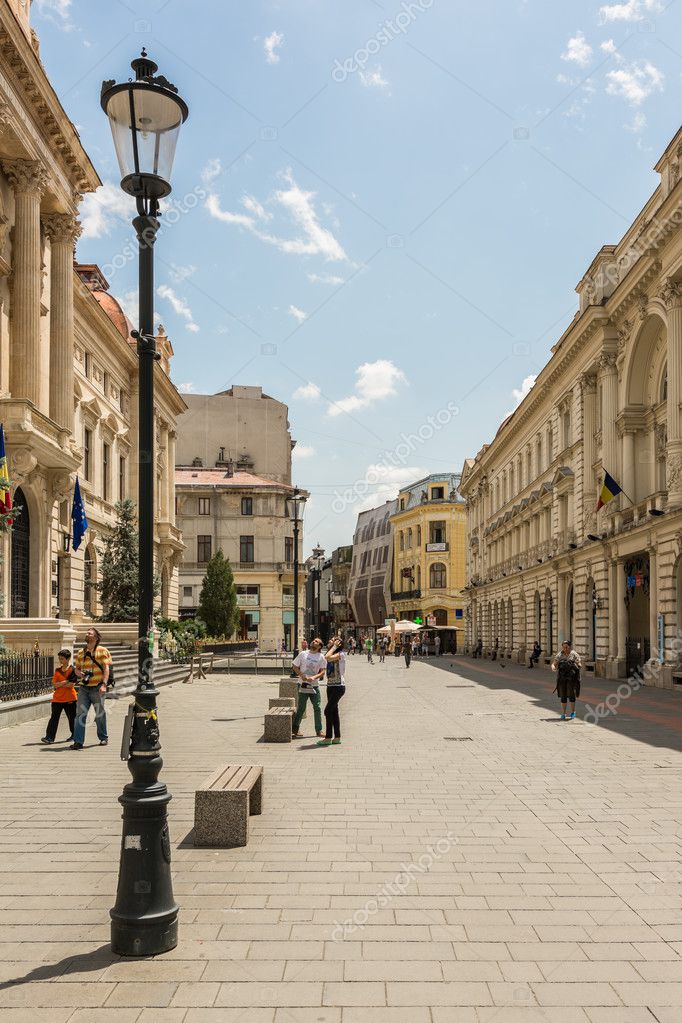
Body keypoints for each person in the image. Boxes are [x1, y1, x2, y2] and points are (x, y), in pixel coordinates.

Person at [71, 627, 112, 750]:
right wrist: (79, 673)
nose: (87, 634)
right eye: (87, 633)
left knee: (99, 714)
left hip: (98, 687)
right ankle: (78, 741)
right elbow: (77, 669)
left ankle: (103, 737)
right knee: (80, 715)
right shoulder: (81, 652)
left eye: (89, 633)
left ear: (96, 637)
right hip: (84, 688)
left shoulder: (102, 651)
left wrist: (104, 685)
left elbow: (106, 668)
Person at [41, 648, 77, 744]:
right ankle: (49, 738)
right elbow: (54, 685)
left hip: (70, 698)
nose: (60, 660)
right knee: (54, 718)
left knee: (72, 718)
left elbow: (71, 685)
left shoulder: (73, 670)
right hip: (57, 699)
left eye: (62, 659)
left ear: (68, 659)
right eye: (59, 658)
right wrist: (66, 681)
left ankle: (74, 735)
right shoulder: (57, 670)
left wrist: (60, 683)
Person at [291, 637, 326, 737]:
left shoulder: (321, 657)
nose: (314, 642)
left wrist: (314, 677)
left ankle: (319, 730)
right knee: (301, 708)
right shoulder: (303, 654)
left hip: (314, 686)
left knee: (317, 707)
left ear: (319, 646)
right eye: (314, 640)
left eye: (316, 641)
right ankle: (295, 729)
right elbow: (294, 666)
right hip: (303, 684)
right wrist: (301, 675)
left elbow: (323, 671)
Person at [318, 637, 346, 746]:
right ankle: (337, 737)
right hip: (330, 685)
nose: (329, 641)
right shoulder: (333, 652)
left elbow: (327, 658)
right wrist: (333, 647)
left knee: (327, 711)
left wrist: (334, 646)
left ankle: (328, 737)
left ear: (337, 643)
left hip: (338, 686)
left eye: (332, 640)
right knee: (334, 711)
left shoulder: (341, 654)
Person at [551, 640, 582, 720]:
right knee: (563, 695)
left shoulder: (574, 654)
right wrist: (553, 667)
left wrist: (578, 664)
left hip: (571, 677)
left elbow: (579, 663)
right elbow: (554, 663)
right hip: (562, 677)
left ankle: (573, 712)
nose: (565, 649)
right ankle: (563, 713)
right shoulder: (560, 654)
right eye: (563, 647)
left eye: (566, 647)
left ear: (570, 646)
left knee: (571, 694)